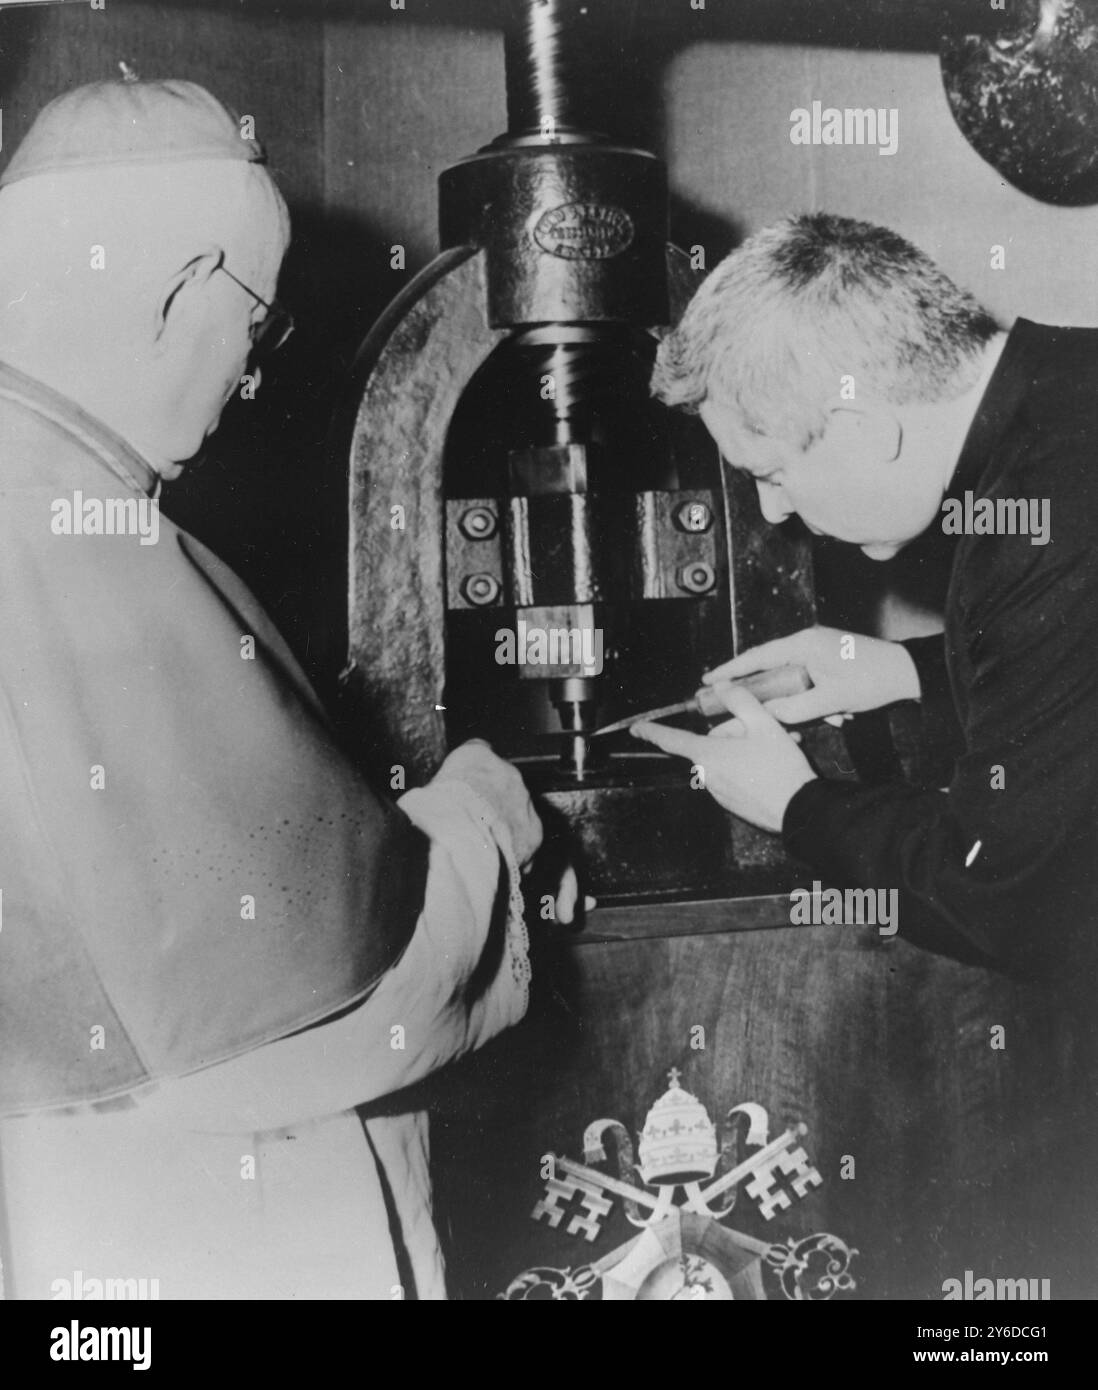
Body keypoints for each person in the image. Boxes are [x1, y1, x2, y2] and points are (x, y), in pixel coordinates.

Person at [0, 78, 573, 1300]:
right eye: (254, 326)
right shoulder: (78, 535)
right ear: (184, 287)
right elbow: (326, 1004)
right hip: (208, 1214)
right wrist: (477, 819)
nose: (243, 371)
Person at [635, 213, 1098, 1291]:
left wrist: (795, 805)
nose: (775, 511)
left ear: (862, 427)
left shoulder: (1037, 526)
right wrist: (898, 676)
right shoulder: (1072, 395)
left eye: (773, 472)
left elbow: (1010, 894)